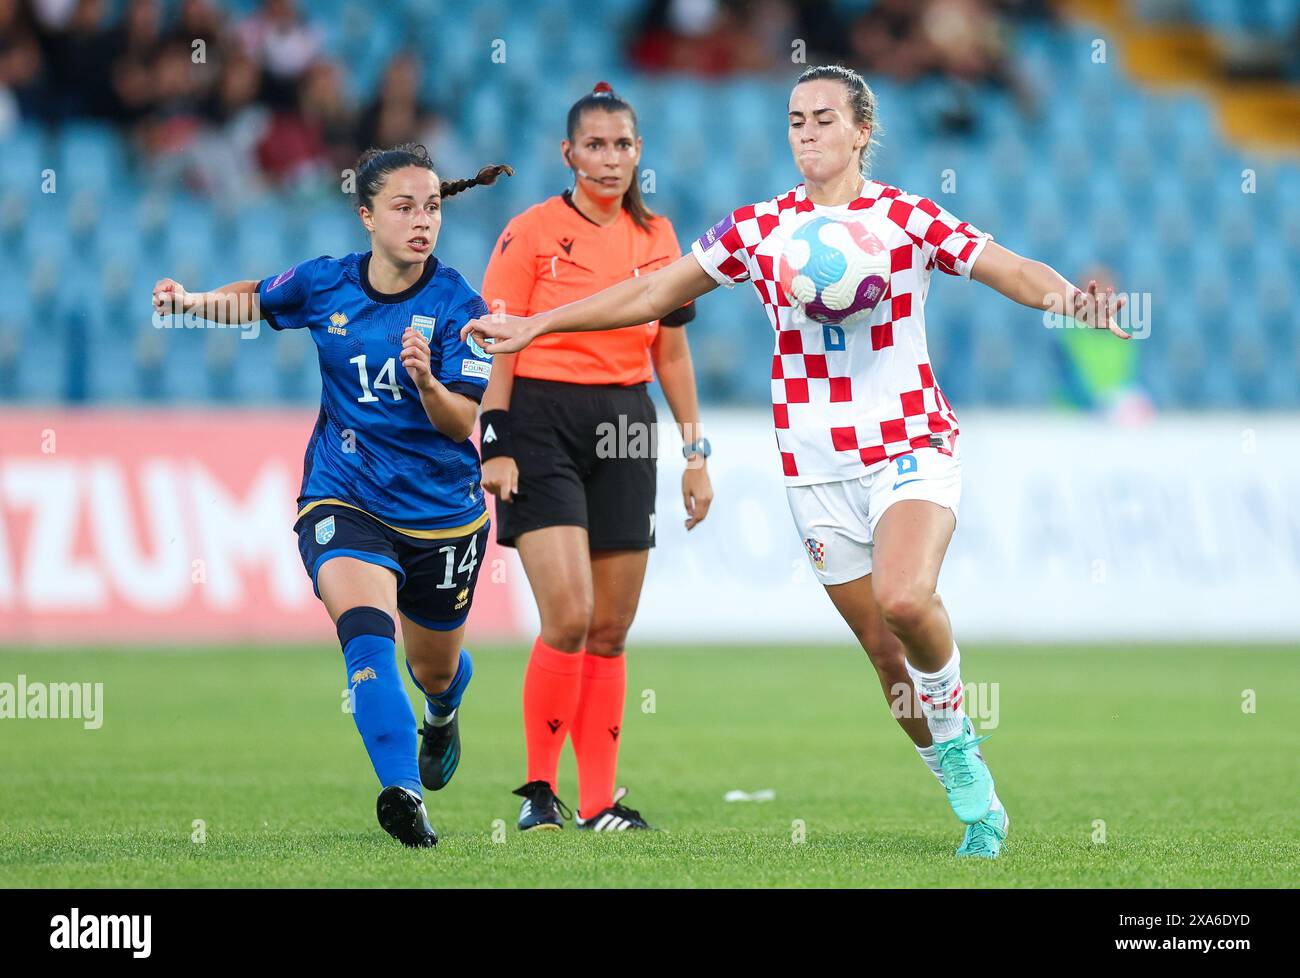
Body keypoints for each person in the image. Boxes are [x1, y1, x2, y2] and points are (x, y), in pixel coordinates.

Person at [463, 65, 1129, 858]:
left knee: (906, 600)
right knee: (884, 653)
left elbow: (1010, 269)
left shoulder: (906, 217)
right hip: (815, 469)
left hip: (909, 442)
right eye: (795, 120)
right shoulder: (757, 228)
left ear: (861, 132)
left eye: (823, 119)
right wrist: (536, 327)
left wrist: (1073, 303)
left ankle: (960, 750)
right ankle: (953, 772)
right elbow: (649, 297)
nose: (807, 132)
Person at [151, 144, 513, 847]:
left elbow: (462, 422)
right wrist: (190, 304)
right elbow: (258, 298)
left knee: (432, 667)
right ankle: (402, 793)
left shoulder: (458, 305)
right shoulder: (327, 283)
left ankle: (442, 710)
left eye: (432, 207)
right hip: (342, 496)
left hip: (442, 515)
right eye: (404, 207)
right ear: (366, 215)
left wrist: (427, 382)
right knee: (366, 635)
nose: (422, 221)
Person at [478, 82, 713, 832]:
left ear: (639, 152)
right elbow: (501, 344)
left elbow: (671, 352)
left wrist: (694, 450)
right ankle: (538, 793)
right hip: (542, 421)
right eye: (596, 145)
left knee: (611, 628)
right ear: (568, 153)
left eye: (623, 145)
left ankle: (599, 803)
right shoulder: (532, 231)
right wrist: (496, 440)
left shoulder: (660, 237)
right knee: (570, 616)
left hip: (628, 422)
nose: (610, 159)